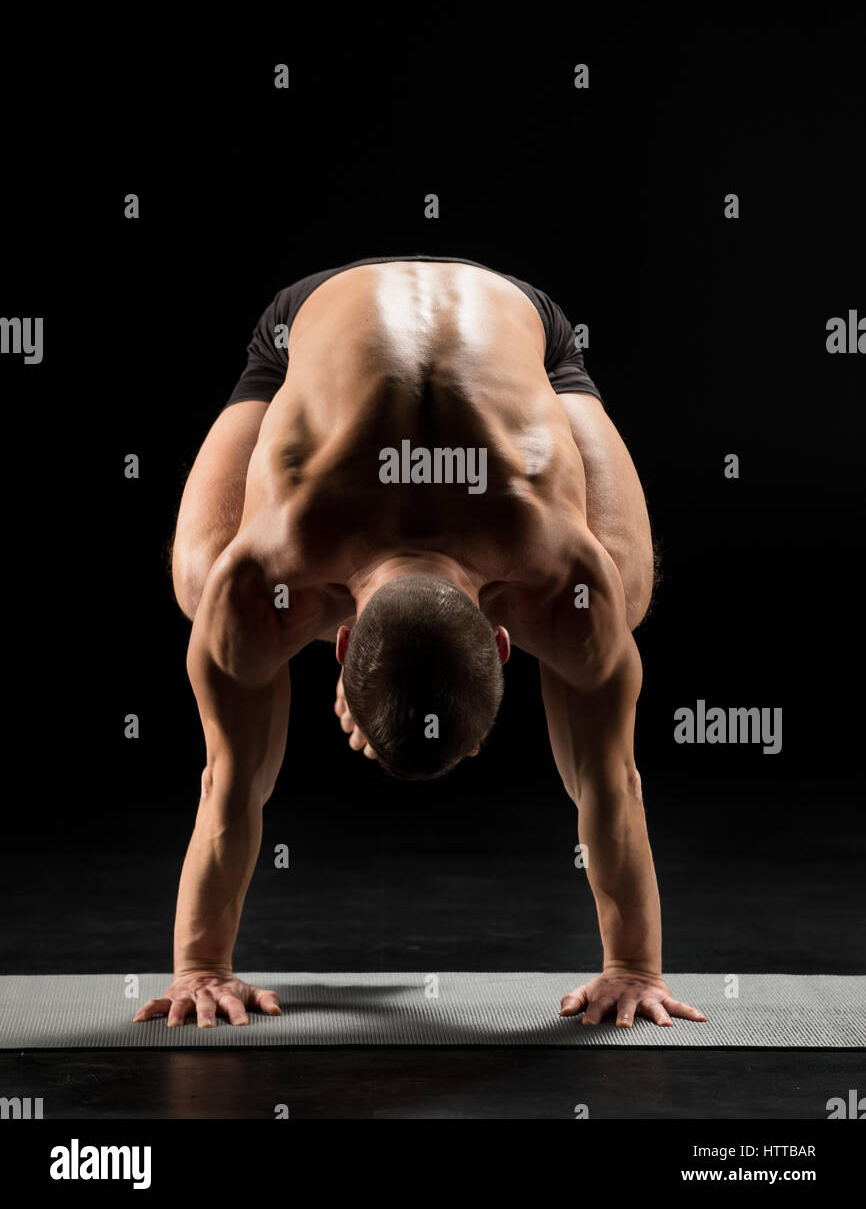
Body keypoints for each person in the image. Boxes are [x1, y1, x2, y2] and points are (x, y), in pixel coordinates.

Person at [133, 254, 706, 1033]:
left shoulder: (571, 573)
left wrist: (632, 969)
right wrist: (200, 970)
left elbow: (614, 786)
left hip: (525, 330)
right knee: (203, 591)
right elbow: (613, 778)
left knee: (620, 593)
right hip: (301, 325)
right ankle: (388, 628)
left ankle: (396, 633)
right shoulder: (259, 571)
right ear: (503, 641)